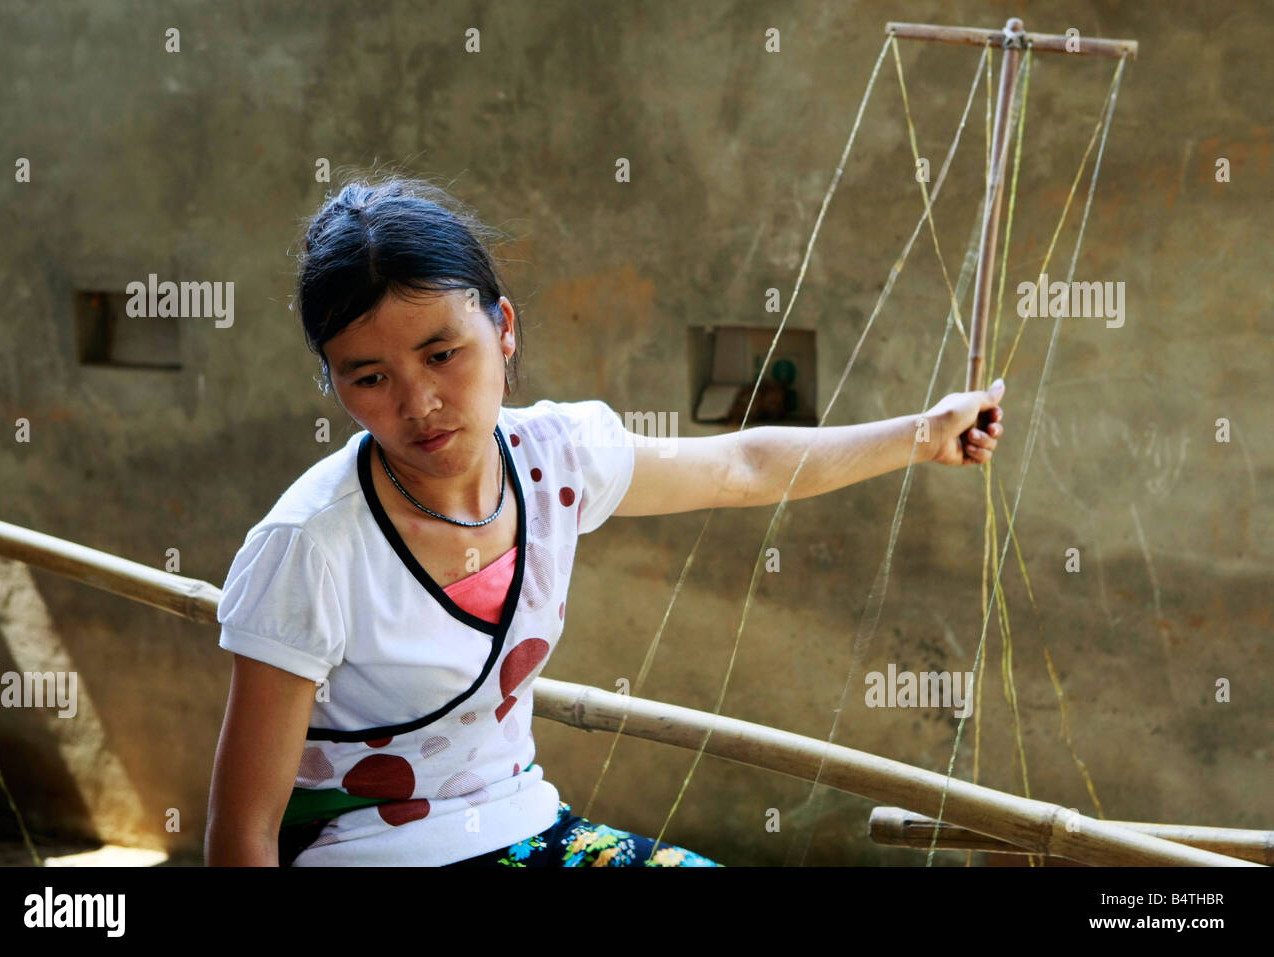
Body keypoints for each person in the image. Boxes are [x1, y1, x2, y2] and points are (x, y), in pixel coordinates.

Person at [203, 174, 1004, 867]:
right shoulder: (310, 547)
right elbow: (242, 827)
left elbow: (742, 466)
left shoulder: (558, 456)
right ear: (334, 383)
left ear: (504, 329)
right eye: (370, 376)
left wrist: (925, 434)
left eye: (443, 353)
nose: (419, 404)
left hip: (528, 828)